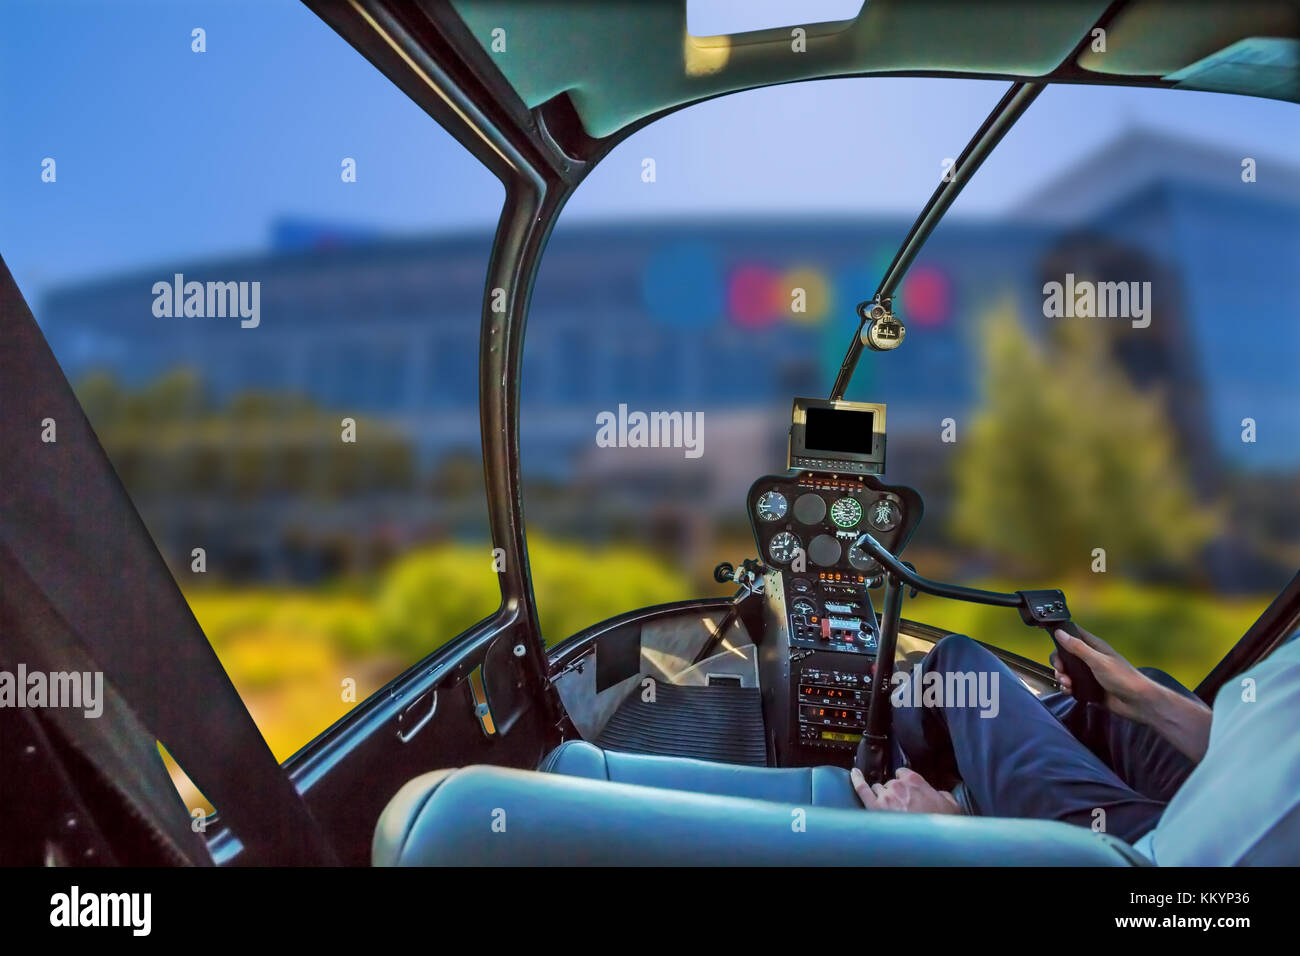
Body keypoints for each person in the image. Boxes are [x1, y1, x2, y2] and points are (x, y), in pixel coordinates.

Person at [849, 627, 1300, 865]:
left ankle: (914, 769)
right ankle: (993, 774)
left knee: (961, 670)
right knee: (1122, 701)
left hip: (1148, 859)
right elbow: (1269, 744)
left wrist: (957, 837)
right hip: (1221, 801)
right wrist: (1144, 699)